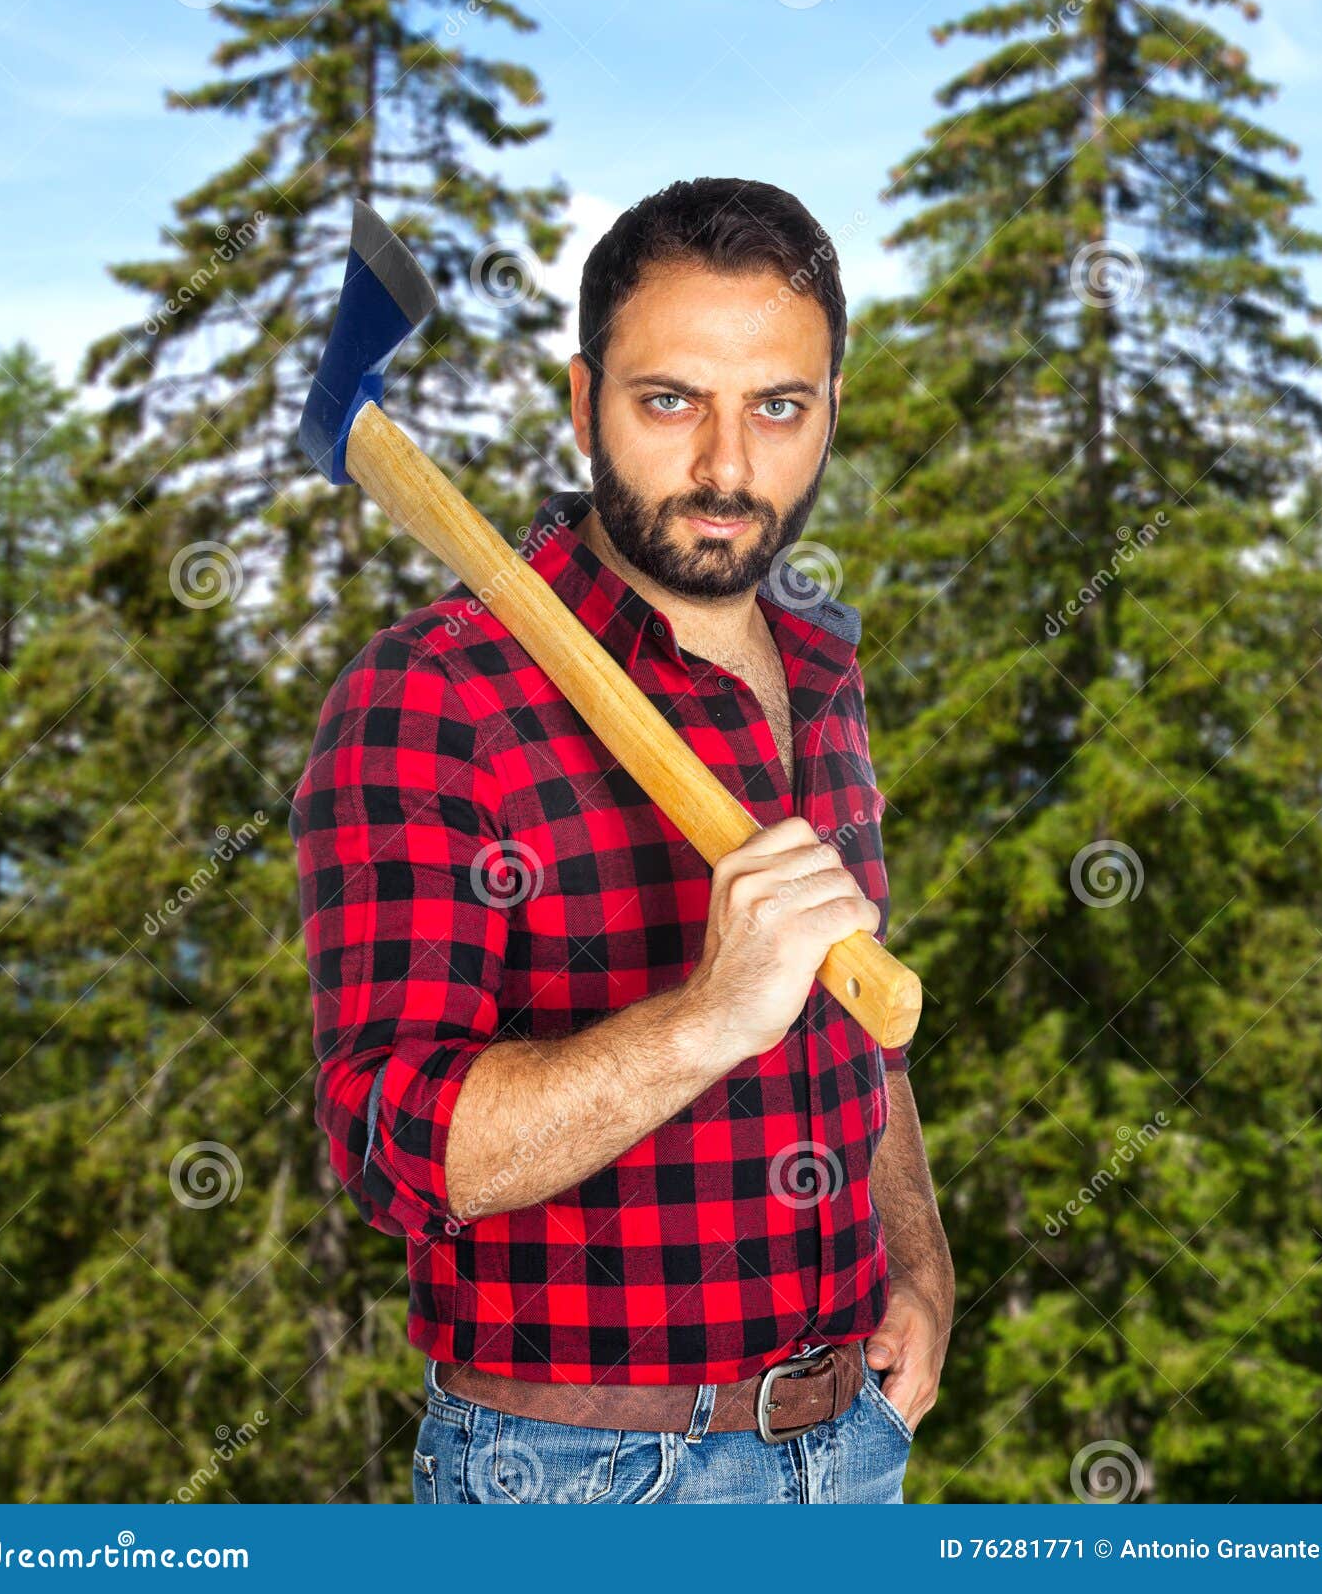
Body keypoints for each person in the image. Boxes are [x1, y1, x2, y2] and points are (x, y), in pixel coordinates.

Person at [291, 177, 953, 1504]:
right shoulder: (438, 692)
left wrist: (919, 1253)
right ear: (584, 399)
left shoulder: (823, 667)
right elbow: (394, 1143)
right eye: (670, 402)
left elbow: (849, 1011)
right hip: (582, 1476)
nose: (726, 467)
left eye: (779, 406)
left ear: (831, 408)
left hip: (853, 1443)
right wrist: (709, 1013)